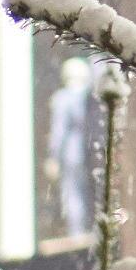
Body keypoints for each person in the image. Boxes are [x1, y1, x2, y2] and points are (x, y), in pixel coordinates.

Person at [43, 57, 98, 238]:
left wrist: (53, 157)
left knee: (72, 192)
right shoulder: (90, 96)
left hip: (70, 152)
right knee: (88, 191)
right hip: (90, 150)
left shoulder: (63, 99)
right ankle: (91, 228)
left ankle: (77, 231)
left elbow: (59, 130)